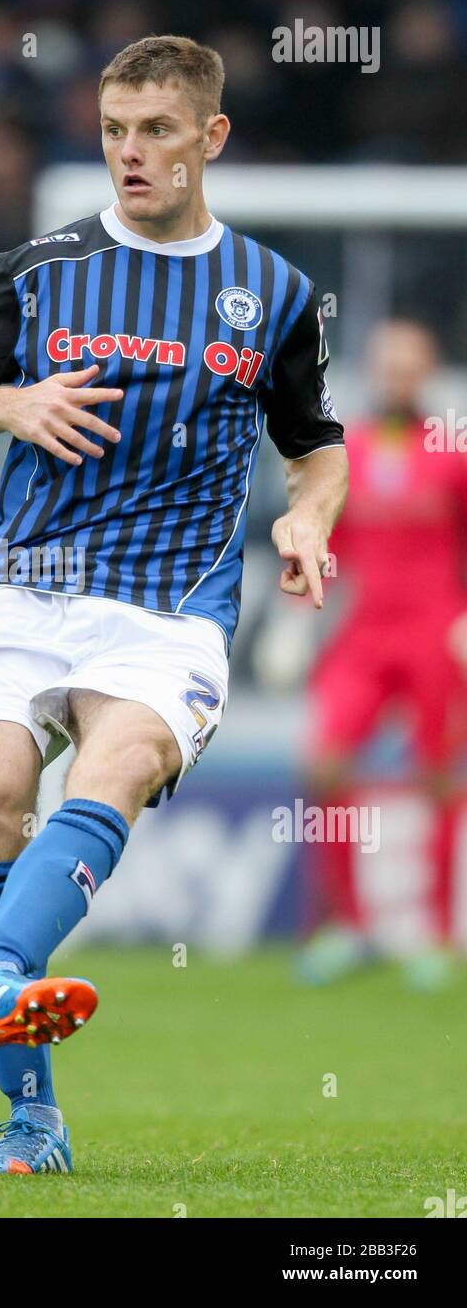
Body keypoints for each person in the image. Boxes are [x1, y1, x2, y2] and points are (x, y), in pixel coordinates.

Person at [0, 35, 348, 1176]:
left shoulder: (274, 295)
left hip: (168, 604)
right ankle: (31, 1122)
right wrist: (9, 406)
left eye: (157, 131)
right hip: (24, 587)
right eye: (114, 131)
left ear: (210, 137)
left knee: (116, 764)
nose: (130, 153)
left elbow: (314, 445)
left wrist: (308, 518)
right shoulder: (38, 271)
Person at [298, 319, 467, 989]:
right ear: (372, 371)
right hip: (363, 635)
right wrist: (296, 613)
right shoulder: (348, 451)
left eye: (410, 366)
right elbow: (321, 536)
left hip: (436, 632)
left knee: (439, 776)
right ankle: (349, 925)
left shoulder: (453, 451)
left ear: (428, 374)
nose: (398, 378)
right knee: (324, 765)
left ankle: (434, 935)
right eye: (388, 365)